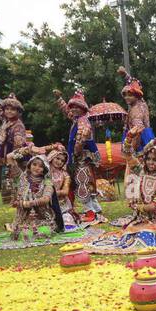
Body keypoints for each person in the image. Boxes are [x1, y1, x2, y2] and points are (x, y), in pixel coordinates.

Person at [52, 89, 104, 221]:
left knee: (82, 182)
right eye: (72, 107)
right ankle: (96, 209)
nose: (74, 109)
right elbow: (66, 111)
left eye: (77, 107)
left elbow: (81, 139)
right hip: (83, 157)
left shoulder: (82, 121)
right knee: (87, 182)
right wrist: (59, 99)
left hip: (81, 157)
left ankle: (90, 212)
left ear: (83, 109)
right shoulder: (77, 118)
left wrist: (75, 153)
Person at [121, 138, 156, 234]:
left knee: (147, 232)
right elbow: (127, 155)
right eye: (148, 159)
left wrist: (137, 206)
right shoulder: (141, 171)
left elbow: (155, 206)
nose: (150, 162)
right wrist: (130, 136)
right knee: (130, 230)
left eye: (155, 160)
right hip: (143, 218)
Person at [0, 81, 28, 205]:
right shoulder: (4, 120)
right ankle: (15, 203)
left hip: (16, 159)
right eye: (7, 109)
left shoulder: (18, 125)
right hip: (5, 158)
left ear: (18, 112)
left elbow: (19, 144)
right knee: (7, 182)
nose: (9, 111)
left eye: (12, 109)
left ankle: (21, 202)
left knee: (17, 181)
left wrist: (12, 159)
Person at [7, 146, 57, 242]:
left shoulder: (47, 182)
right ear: (29, 165)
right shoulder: (21, 177)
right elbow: (9, 157)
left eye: (40, 166)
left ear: (44, 169)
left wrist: (25, 203)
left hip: (42, 218)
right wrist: (28, 149)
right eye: (34, 164)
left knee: (44, 231)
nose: (37, 168)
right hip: (23, 219)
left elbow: (46, 199)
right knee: (23, 233)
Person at [118, 68, 154, 156]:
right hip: (147, 137)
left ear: (136, 96)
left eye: (130, 95)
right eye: (125, 95)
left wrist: (131, 152)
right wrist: (126, 76)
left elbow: (138, 131)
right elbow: (135, 85)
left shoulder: (135, 110)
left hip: (139, 144)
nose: (126, 97)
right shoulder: (142, 102)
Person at [46, 146, 75, 231]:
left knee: (67, 222)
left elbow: (65, 192)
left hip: (61, 204)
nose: (59, 162)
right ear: (52, 156)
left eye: (62, 161)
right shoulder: (43, 171)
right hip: (44, 203)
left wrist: (51, 194)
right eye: (57, 158)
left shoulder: (65, 175)